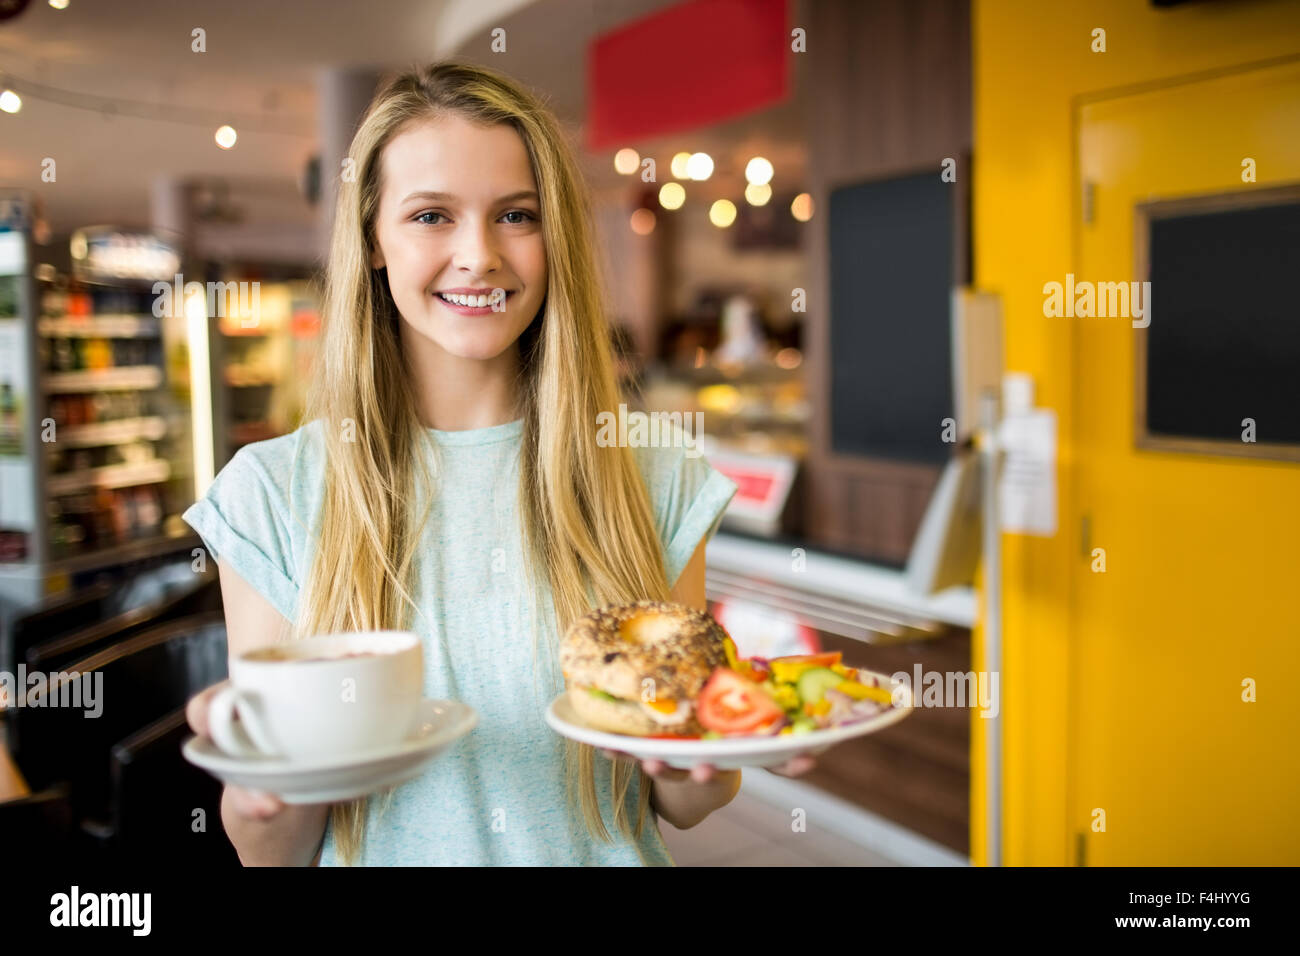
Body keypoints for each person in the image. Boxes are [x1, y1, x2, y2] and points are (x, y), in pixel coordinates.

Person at [183, 61, 815, 867]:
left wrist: (714, 746)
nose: (478, 254)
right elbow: (272, 852)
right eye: (432, 216)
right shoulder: (270, 495)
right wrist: (259, 792)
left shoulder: (655, 471)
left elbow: (687, 804)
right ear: (374, 240)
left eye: (516, 214)